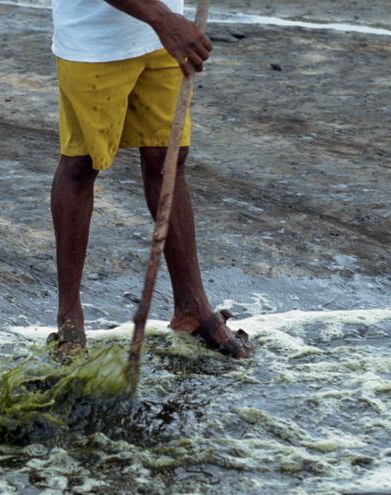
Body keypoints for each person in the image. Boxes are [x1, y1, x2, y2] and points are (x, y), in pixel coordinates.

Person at [48, 0, 254, 359]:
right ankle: (70, 318)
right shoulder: (160, 26)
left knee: (168, 160)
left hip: (164, 41)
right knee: (81, 165)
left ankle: (192, 307)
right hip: (95, 41)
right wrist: (164, 21)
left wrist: (167, 24)